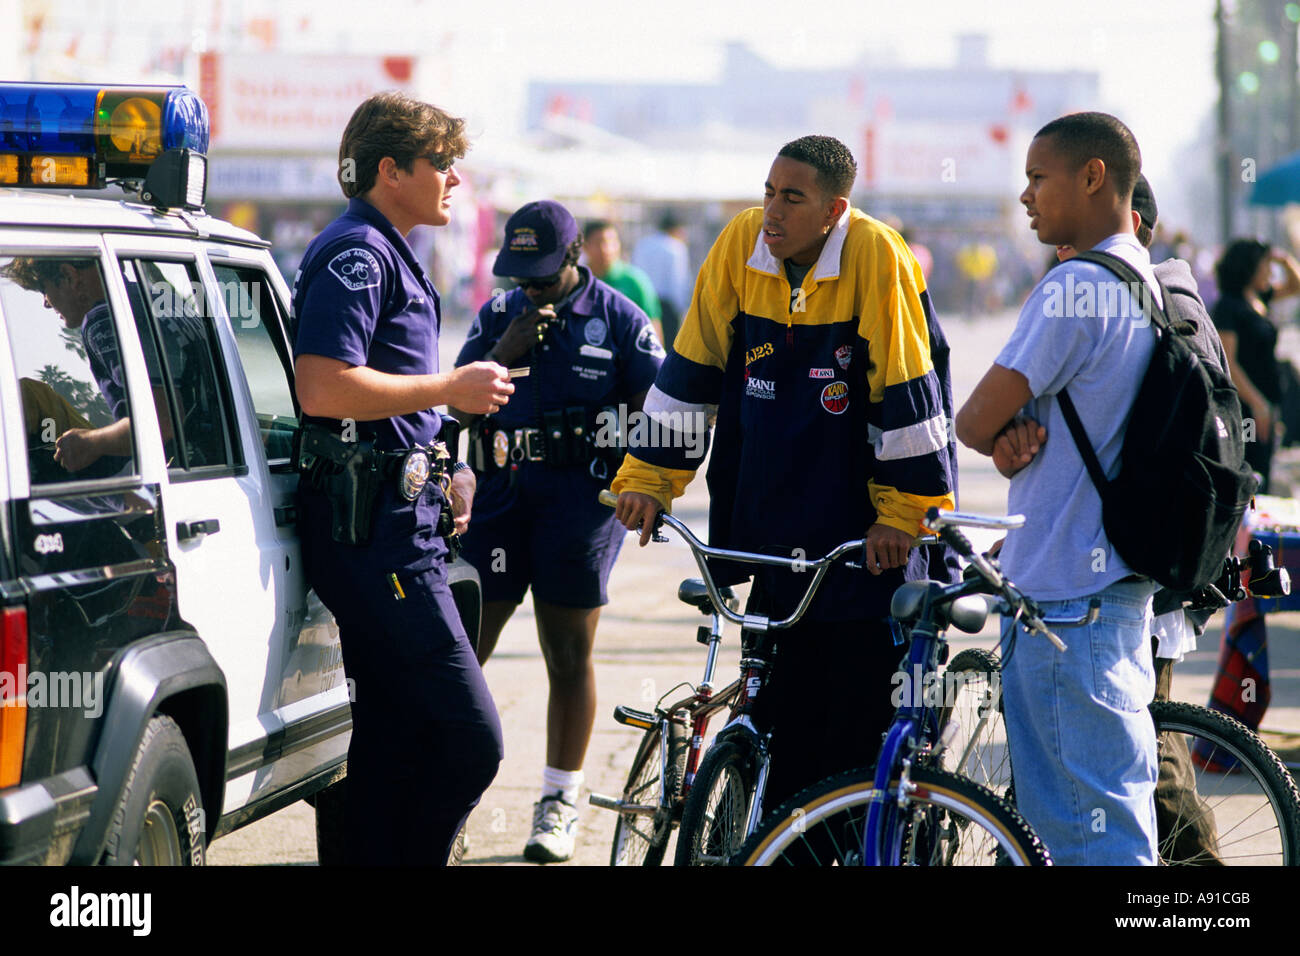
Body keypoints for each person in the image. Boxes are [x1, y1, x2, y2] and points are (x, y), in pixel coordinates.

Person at [612, 134, 958, 816]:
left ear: (835, 210)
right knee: (779, 721)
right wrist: (647, 480)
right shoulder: (741, 244)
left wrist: (901, 514)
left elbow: (909, 394)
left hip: (866, 535)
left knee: (862, 731)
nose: (771, 210)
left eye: (792, 198)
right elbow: (690, 373)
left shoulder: (877, 254)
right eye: (768, 191)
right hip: (771, 521)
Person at [291, 91, 514, 866]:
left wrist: (443, 462)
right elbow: (322, 386)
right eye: (443, 165)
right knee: (469, 739)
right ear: (393, 171)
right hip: (376, 538)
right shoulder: (359, 252)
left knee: (393, 739)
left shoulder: (389, 250)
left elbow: (384, 398)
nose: (456, 180)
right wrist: (448, 391)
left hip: (398, 520)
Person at [955, 111, 1160, 865]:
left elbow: (975, 420)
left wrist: (1002, 429)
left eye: (1039, 178)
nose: (1026, 197)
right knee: (1110, 816)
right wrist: (1019, 430)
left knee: (1080, 835)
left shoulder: (1075, 287)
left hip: (1063, 605)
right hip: (1117, 593)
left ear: (1094, 176)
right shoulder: (1148, 281)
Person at [452, 200, 664, 863]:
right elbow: (453, 402)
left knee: (567, 655)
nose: (531, 288)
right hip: (500, 500)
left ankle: (558, 801)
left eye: (542, 275)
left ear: (574, 259)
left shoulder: (622, 322)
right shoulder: (497, 313)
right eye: (521, 275)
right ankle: (449, 797)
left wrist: (644, 486)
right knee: (461, 657)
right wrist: (501, 352)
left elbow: (663, 412)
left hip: (581, 503)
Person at [1210, 239, 1300, 494]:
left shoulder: (1259, 297)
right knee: (1247, 471)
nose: (1270, 273)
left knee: (1264, 472)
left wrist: (1281, 258)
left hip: (1267, 405)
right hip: (1245, 409)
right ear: (1248, 268)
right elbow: (1228, 361)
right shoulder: (1229, 306)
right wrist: (1258, 404)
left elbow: (1296, 285)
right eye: (1265, 266)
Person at [582, 220, 663, 343]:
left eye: (611, 243)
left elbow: (653, 325)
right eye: (598, 243)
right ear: (585, 246)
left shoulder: (635, 281)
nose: (606, 249)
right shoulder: (579, 280)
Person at [632, 210, 692, 348]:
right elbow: (678, 282)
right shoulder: (676, 247)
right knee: (666, 351)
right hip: (666, 307)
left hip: (642, 302)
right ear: (675, 228)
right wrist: (682, 311)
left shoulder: (643, 244)